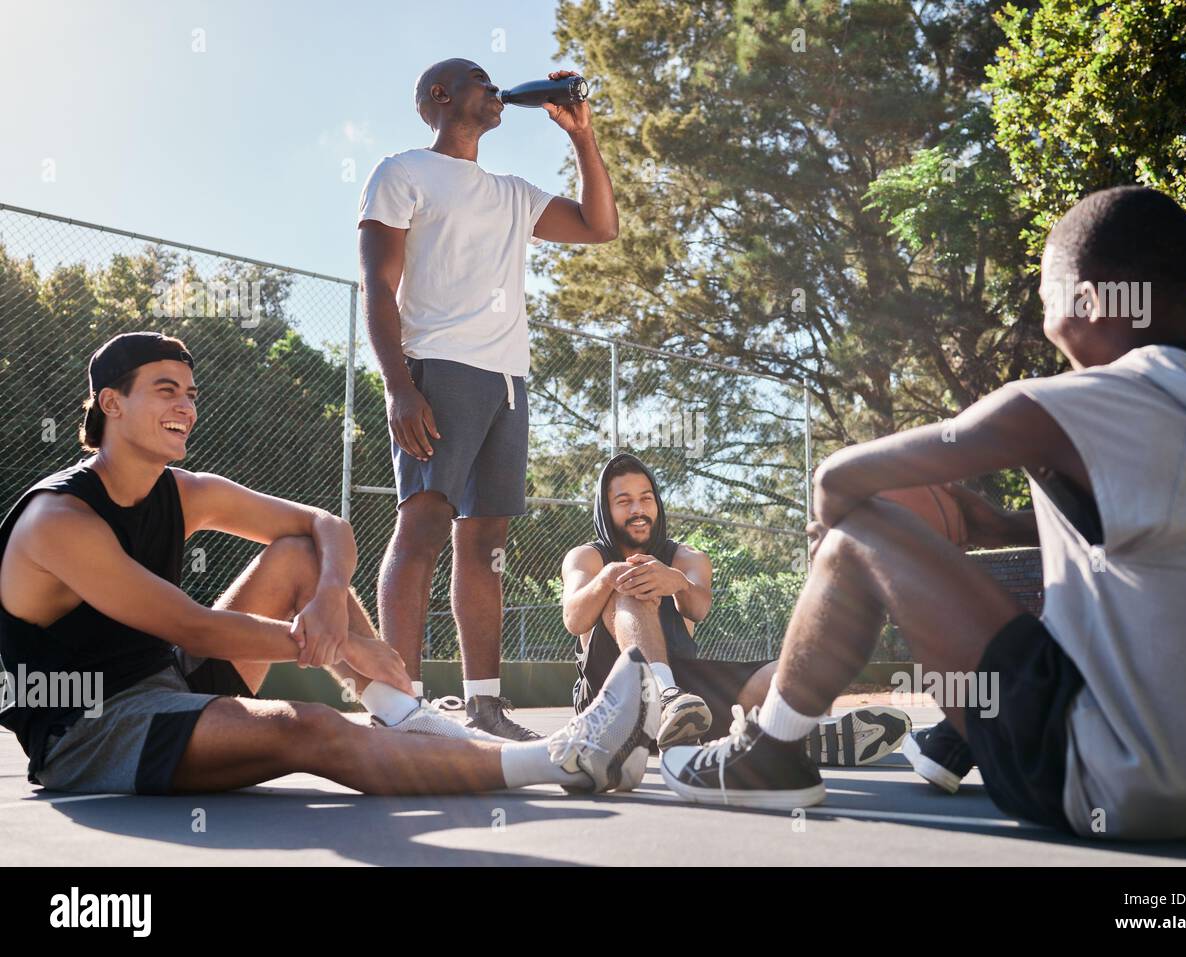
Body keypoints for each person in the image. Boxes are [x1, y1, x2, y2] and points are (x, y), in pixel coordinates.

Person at [659, 186, 1186, 838]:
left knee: (863, 530)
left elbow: (838, 476)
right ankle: (948, 737)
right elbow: (1165, 542)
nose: (1044, 314)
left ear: (1087, 299)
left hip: (1117, 782)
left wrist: (842, 537)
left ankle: (769, 751)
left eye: (1047, 293)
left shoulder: (1084, 402)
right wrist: (996, 526)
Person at [0, 332, 656, 797]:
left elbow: (327, 526)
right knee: (309, 726)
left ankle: (408, 718)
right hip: (94, 730)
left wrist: (328, 595)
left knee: (299, 555)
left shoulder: (183, 490)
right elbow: (195, 626)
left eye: (192, 393)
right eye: (165, 390)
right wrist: (331, 643)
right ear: (111, 404)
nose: (187, 407)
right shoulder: (59, 522)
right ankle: (559, 760)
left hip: (169, 680)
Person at [357, 58, 620, 741]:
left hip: (508, 378)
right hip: (438, 369)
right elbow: (377, 288)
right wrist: (399, 385)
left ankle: (484, 704)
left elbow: (600, 226)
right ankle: (399, 705)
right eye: (478, 77)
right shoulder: (403, 171)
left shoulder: (512, 191)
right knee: (421, 528)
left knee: (488, 542)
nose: (494, 86)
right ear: (441, 96)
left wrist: (581, 136)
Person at [562, 452, 911, 765]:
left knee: (790, 674)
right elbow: (574, 620)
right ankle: (666, 697)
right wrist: (608, 578)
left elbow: (698, 609)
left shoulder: (687, 558)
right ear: (606, 510)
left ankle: (794, 732)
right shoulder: (586, 557)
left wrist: (678, 583)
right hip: (612, 701)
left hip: (688, 704)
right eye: (624, 501)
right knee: (631, 580)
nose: (638, 509)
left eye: (646, 499)